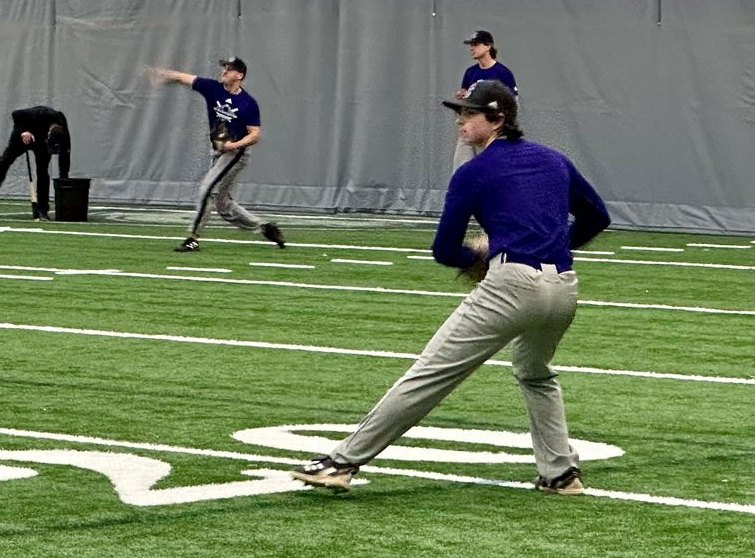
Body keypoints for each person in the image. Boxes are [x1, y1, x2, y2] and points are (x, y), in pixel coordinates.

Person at [290, 79, 610, 496]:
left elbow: (443, 249)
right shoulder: (553, 160)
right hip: (563, 287)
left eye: (469, 113)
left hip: (511, 285)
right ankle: (561, 474)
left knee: (429, 374)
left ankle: (341, 463)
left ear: (498, 119)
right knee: (535, 374)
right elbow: (597, 216)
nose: (460, 121)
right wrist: (554, 246)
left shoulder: (473, 172)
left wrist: (475, 259)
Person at [147, 57, 285, 252]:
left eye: (229, 69)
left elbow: (255, 134)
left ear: (239, 75)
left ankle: (192, 238)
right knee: (223, 206)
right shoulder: (213, 88)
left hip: (236, 153)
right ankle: (264, 228)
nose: (224, 71)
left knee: (206, 189)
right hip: (219, 151)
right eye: (224, 68)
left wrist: (233, 145)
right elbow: (184, 78)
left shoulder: (247, 103)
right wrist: (165, 75)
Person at [0, 106, 71, 221]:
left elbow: (65, 157)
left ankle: (42, 210)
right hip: (24, 136)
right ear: (49, 134)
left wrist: (64, 182)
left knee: (42, 172)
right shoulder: (40, 113)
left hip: (42, 144)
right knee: (5, 161)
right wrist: (24, 131)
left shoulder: (62, 126)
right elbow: (15, 113)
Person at [452, 30, 518, 168]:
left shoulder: (503, 73)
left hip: (494, 124)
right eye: (471, 45)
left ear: (488, 46)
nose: (472, 48)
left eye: (476, 44)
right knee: (464, 146)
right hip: (474, 121)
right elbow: (468, 96)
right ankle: (464, 183)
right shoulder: (470, 72)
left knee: (496, 156)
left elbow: (513, 103)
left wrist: (505, 125)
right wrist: (463, 95)